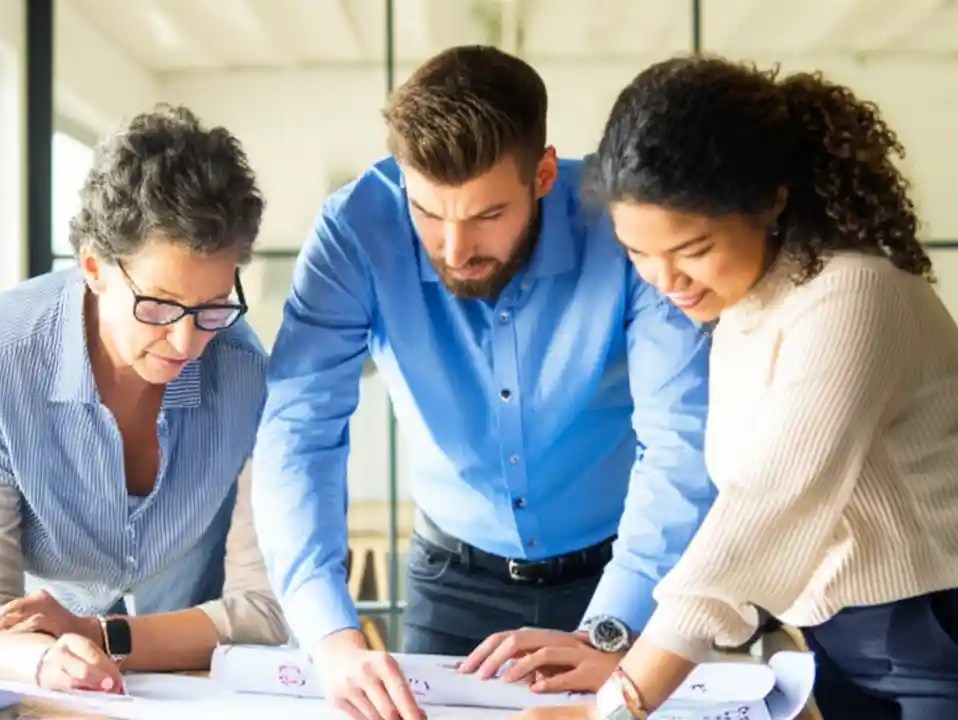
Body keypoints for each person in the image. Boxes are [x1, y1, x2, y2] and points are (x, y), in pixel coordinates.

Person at [515, 55, 958, 720]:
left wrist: (619, 702)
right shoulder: (742, 308)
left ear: (771, 199)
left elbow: (768, 509)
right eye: (639, 254)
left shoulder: (851, 296)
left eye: (692, 248)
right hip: (846, 655)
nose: (665, 280)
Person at [252, 45, 713, 720]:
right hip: (452, 581)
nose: (454, 249)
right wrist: (330, 638)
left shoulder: (622, 228)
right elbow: (298, 434)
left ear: (545, 174)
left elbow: (680, 437)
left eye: (487, 216)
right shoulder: (354, 231)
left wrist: (616, 625)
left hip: (621, 574)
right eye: (428, 213)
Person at [0, 105, 288, 694]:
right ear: (93, 267)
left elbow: (264, 608)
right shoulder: (1, 358)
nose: (187, 341)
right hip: (12, 645)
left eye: (212, 306)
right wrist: (44, 659)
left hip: (165, 641)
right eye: (158, 305)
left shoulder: (243, 375)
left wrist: (105, 636)